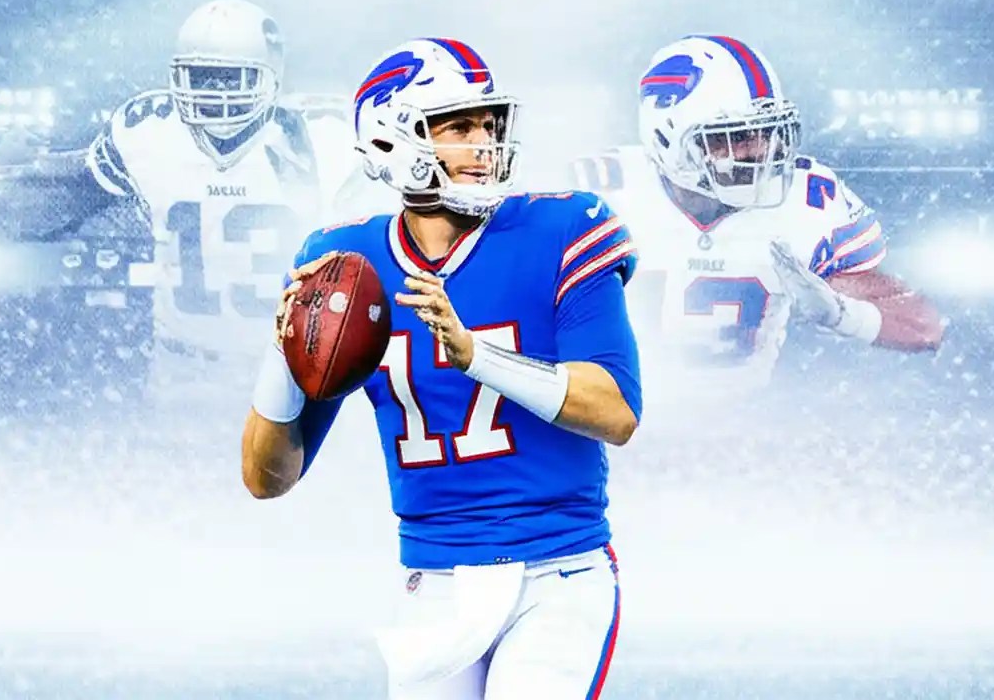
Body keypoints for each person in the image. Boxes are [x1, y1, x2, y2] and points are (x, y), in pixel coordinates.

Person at [241, 37, 641, 699]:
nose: (483, 144)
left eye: (489, 125)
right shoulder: (344, 263)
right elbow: (266, 478)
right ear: (393, 142)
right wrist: (286, 354)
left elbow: (616, 413)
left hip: (558, 571)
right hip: (435, 579)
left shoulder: (564, 228)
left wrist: (477, 356)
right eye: (457, 127)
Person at [0, 0, 383, 397]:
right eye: (201, 77)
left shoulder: (324, 138)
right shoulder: (149, 134)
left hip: (293, 367)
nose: (215, 93)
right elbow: (55, 197)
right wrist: (6, 189)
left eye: (230, 78)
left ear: (270, 77)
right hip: (183, 370)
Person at [570, 34, 943, 401]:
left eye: (767, 132)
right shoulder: (595, 193)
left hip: (747, 420)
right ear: (668, 139)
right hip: (606, 417)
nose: (759, 151)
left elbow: (924, 327)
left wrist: (842, 314)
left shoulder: (804, 200)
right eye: (734, 137)